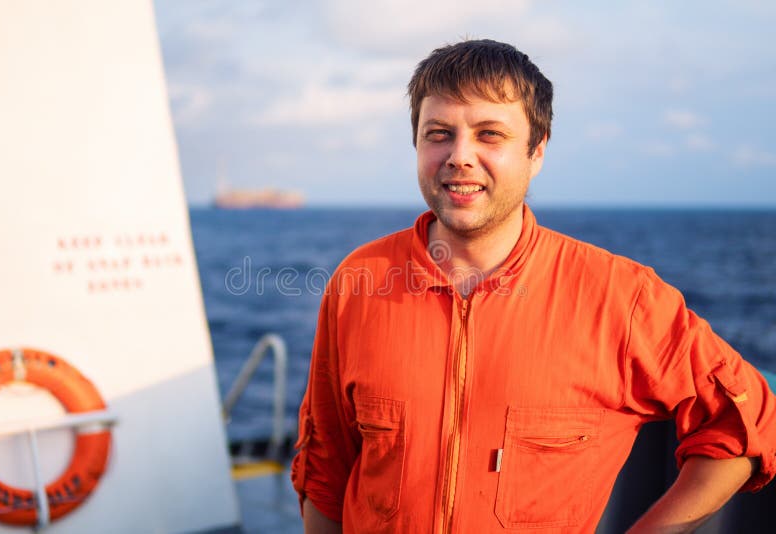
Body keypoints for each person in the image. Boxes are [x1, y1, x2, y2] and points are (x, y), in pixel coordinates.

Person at [291, 39, 776, 533]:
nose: (460, 156)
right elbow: (326, 466)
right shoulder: (360, 280)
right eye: (439, 133)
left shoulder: (620, 297)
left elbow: (745, 421)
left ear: (536, 150)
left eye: (489, 134)